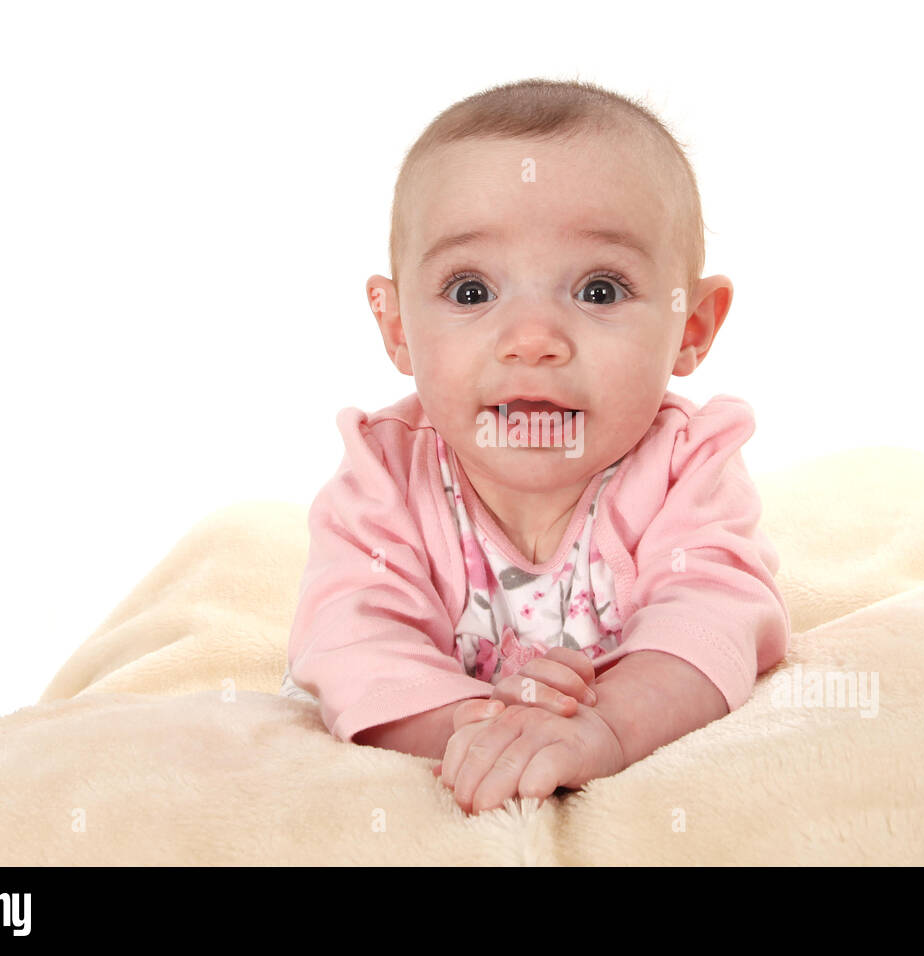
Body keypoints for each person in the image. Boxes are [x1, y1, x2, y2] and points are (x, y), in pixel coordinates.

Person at [281, 77, 791, 815]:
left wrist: (611, 725)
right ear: (396, 327)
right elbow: (352, 642)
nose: (532, 341)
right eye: (469, 291)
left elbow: (714, 617)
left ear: (692, 327)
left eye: (600, 291)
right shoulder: (384, 477)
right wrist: (477, 727)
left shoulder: (687, 466)